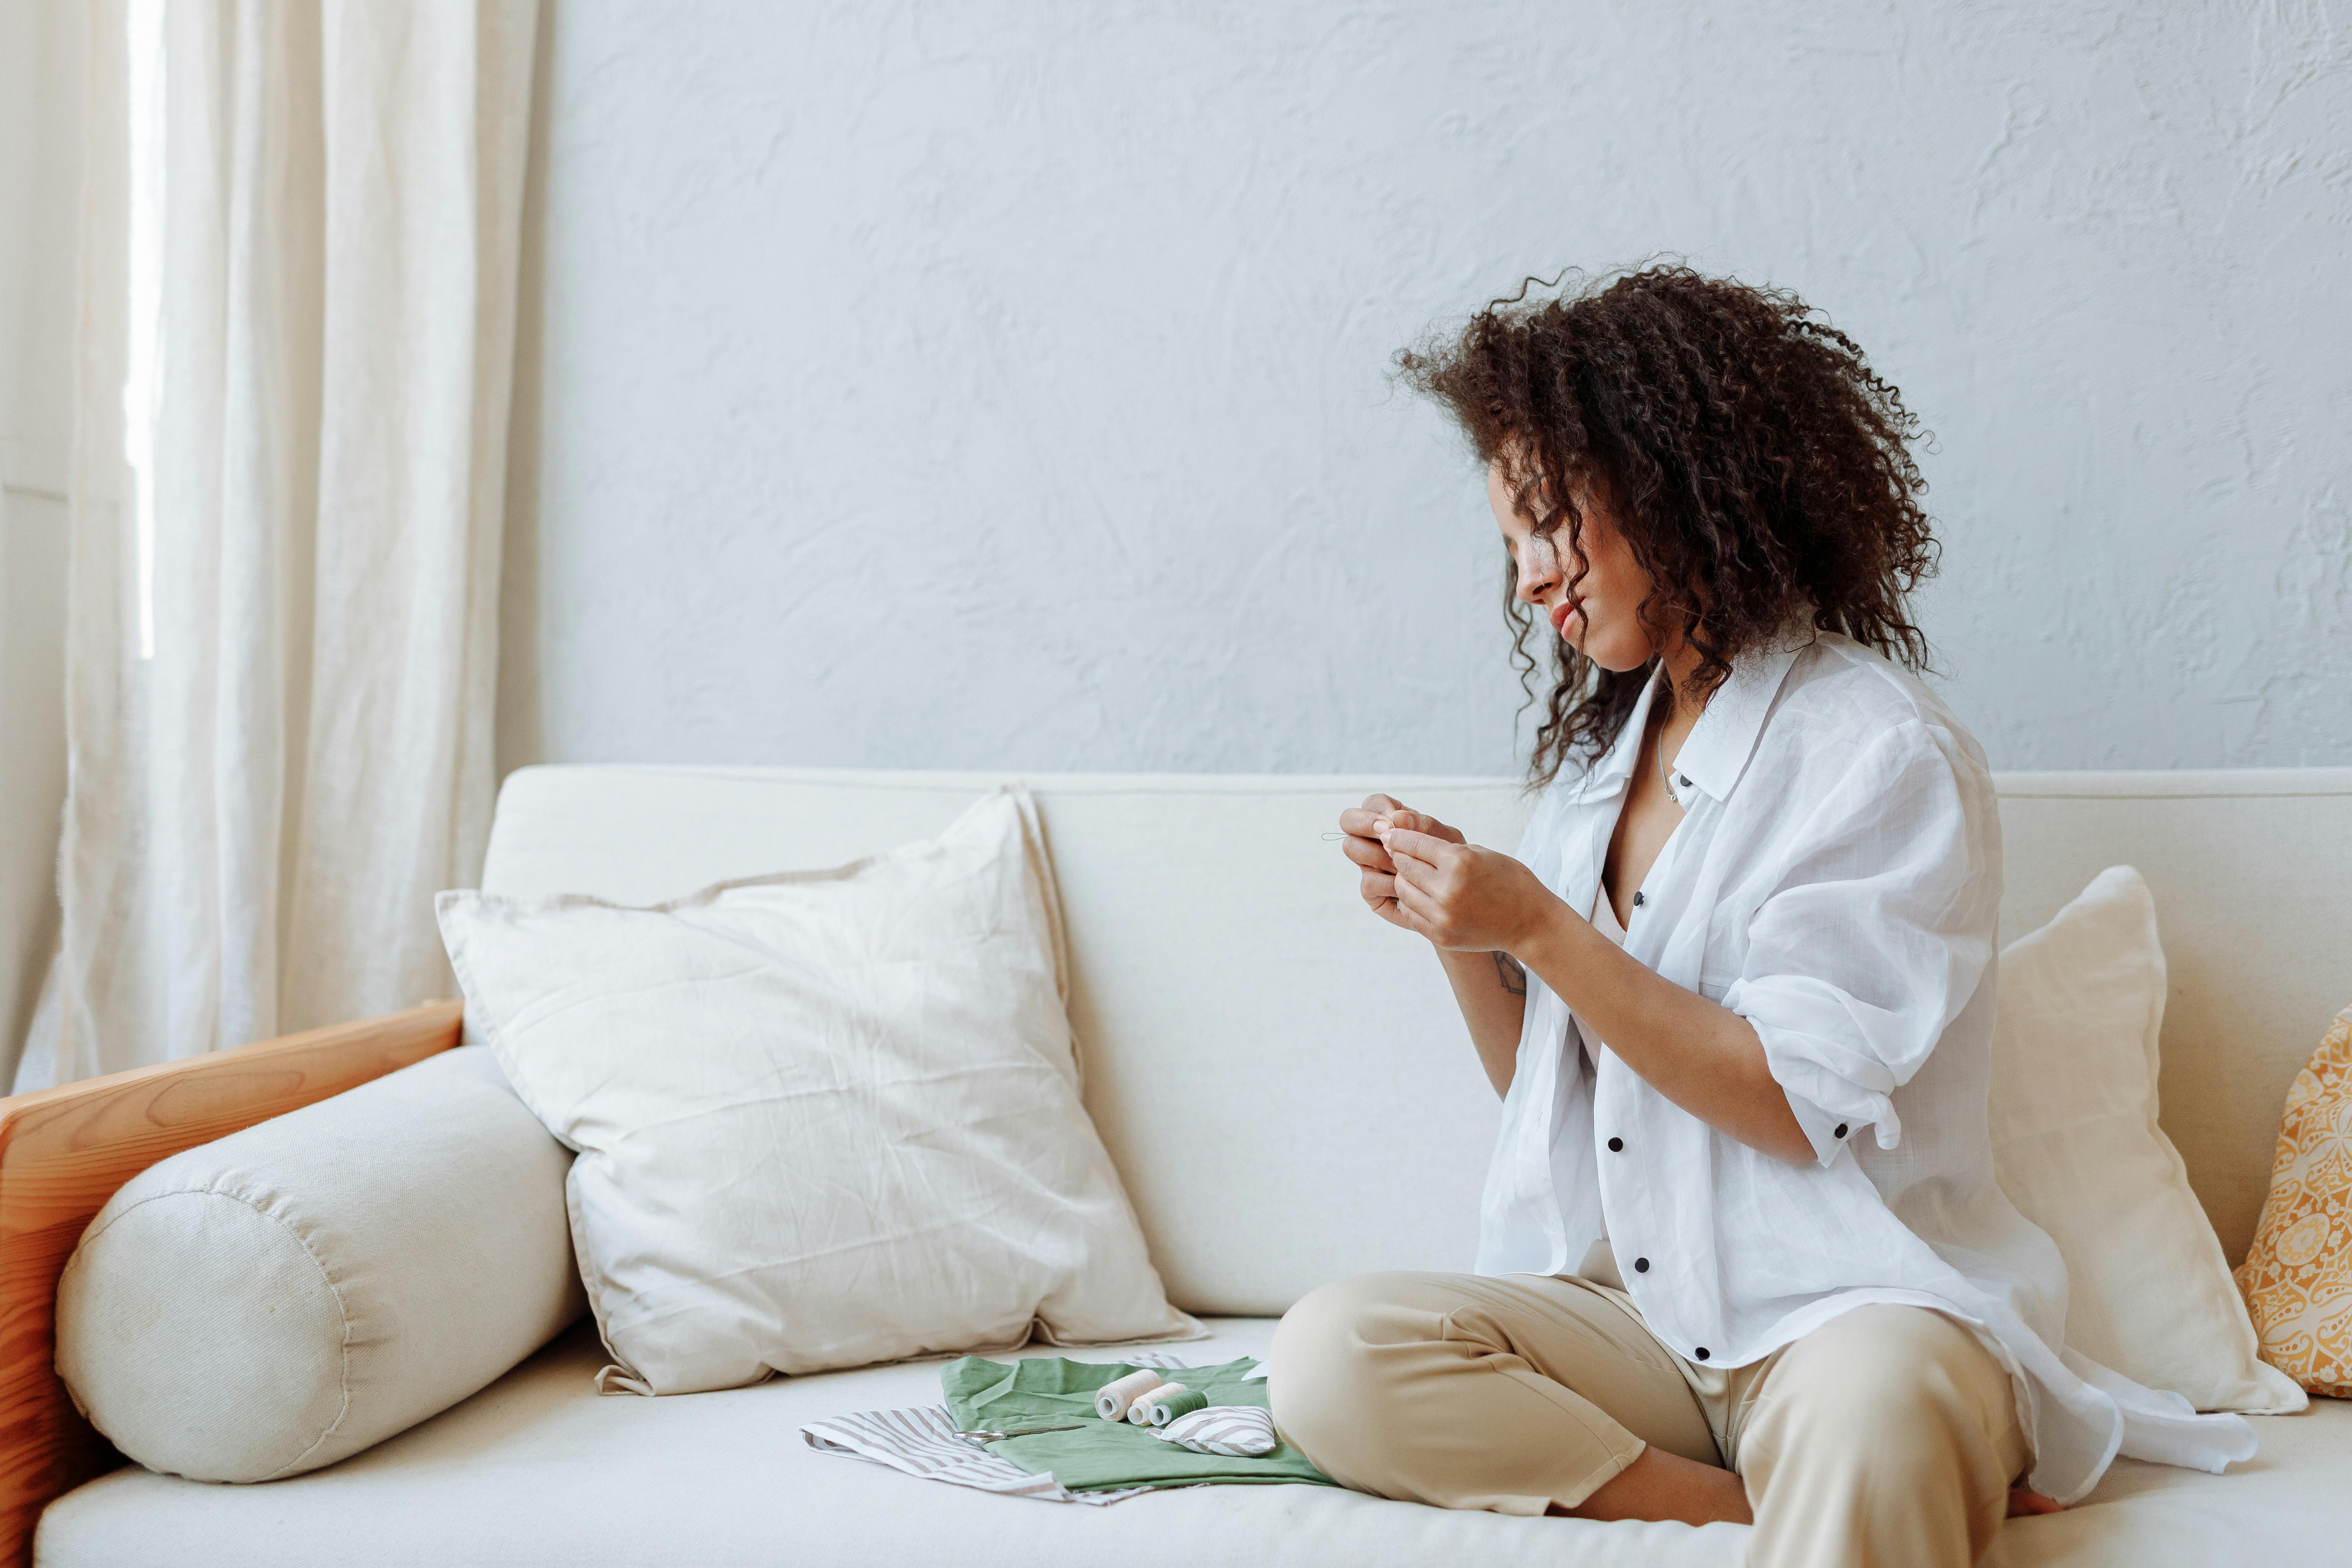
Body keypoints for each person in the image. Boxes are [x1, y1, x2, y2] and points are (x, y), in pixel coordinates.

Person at [1265, 268, 2255, 1568]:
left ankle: (1884, 1462)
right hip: (1640, 1322)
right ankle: (1743, 1503)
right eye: (1511, 543)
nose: (1530, 581)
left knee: (1881, 1417)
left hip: (1852, 1310)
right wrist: (1470, 936)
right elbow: (1550, 1091)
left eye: (1550, 525)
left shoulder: (1879, 753)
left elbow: (1791, 1102)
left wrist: (1543, 927)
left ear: (1670, 485)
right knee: (1333, 1353)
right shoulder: (1598, 769)